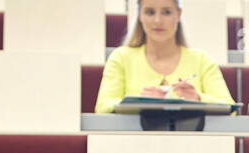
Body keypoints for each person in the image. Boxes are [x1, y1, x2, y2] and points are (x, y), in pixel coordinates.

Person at [94, 0, 233, 113]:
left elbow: (230, 109)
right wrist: (138, 103)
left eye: (166, 12)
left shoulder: (202, 60)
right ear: (140, 16)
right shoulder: (121, 58)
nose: (157, 20)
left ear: (178, 14)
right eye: (150, 12)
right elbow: (102, 107)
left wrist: (198, 98)